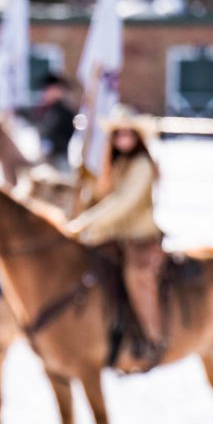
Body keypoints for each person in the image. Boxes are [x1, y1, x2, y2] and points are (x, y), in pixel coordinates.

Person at [66, 113, 165, 356]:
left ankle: (153, 335)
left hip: (139, 237)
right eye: (118, 134)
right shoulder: (115, 164)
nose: (123, 139)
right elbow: (103, 193)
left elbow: (122, 202)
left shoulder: (142, 165)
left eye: (128, 134)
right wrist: (86, 177)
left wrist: (85, 223)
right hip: (113, 235)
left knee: (136, 275)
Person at [32, 73, 78, 172]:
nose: (45, 93)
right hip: (50, 158)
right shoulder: (46, 110)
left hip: (61, 158)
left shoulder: (63, 111)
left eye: (48, 90)